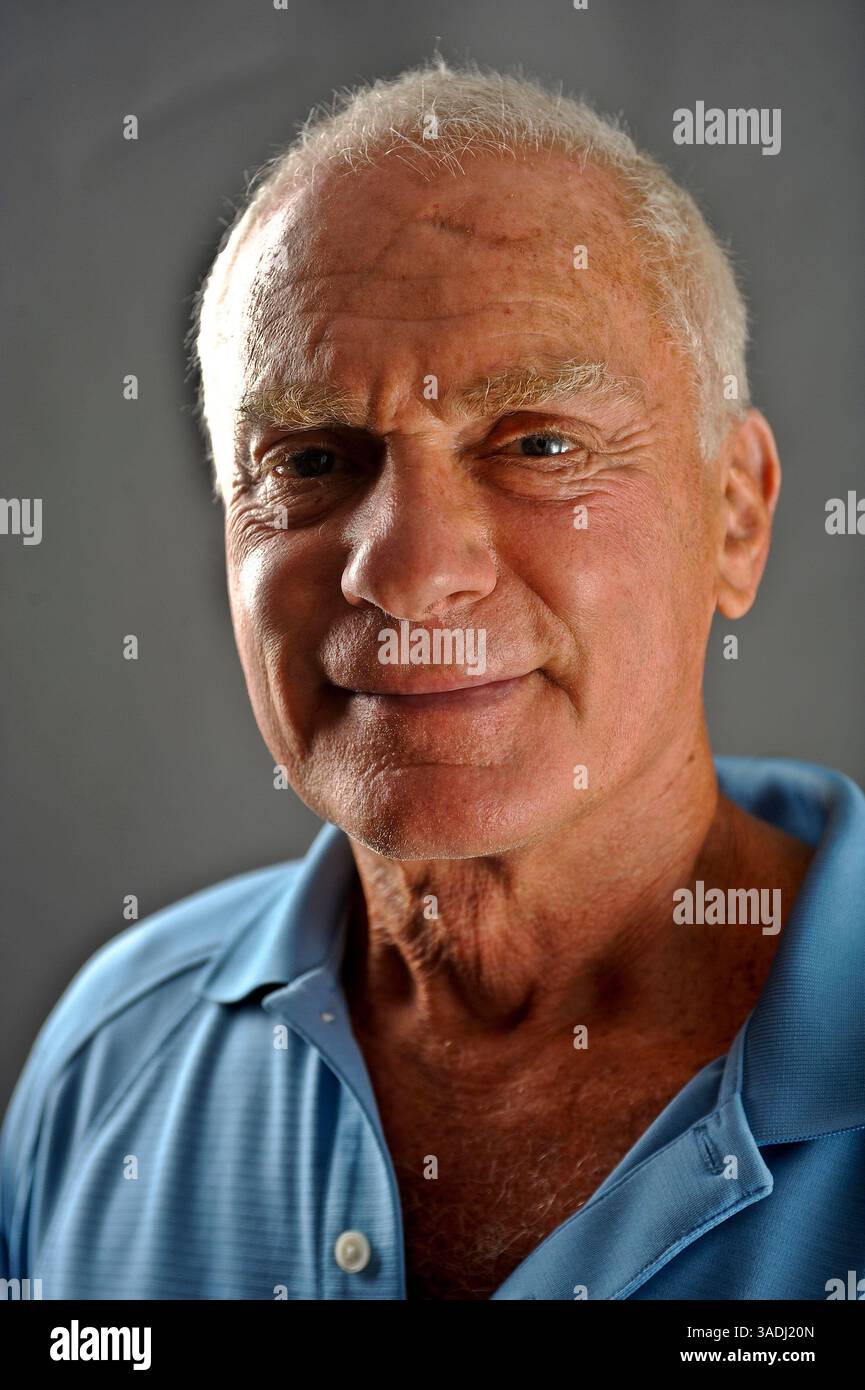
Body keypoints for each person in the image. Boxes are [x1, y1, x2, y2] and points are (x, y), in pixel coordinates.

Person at [2, 61, 863, 1302]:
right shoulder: (111, 1056)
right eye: (311, 457)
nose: (407, 573)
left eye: (539, 444)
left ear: (734, 516)